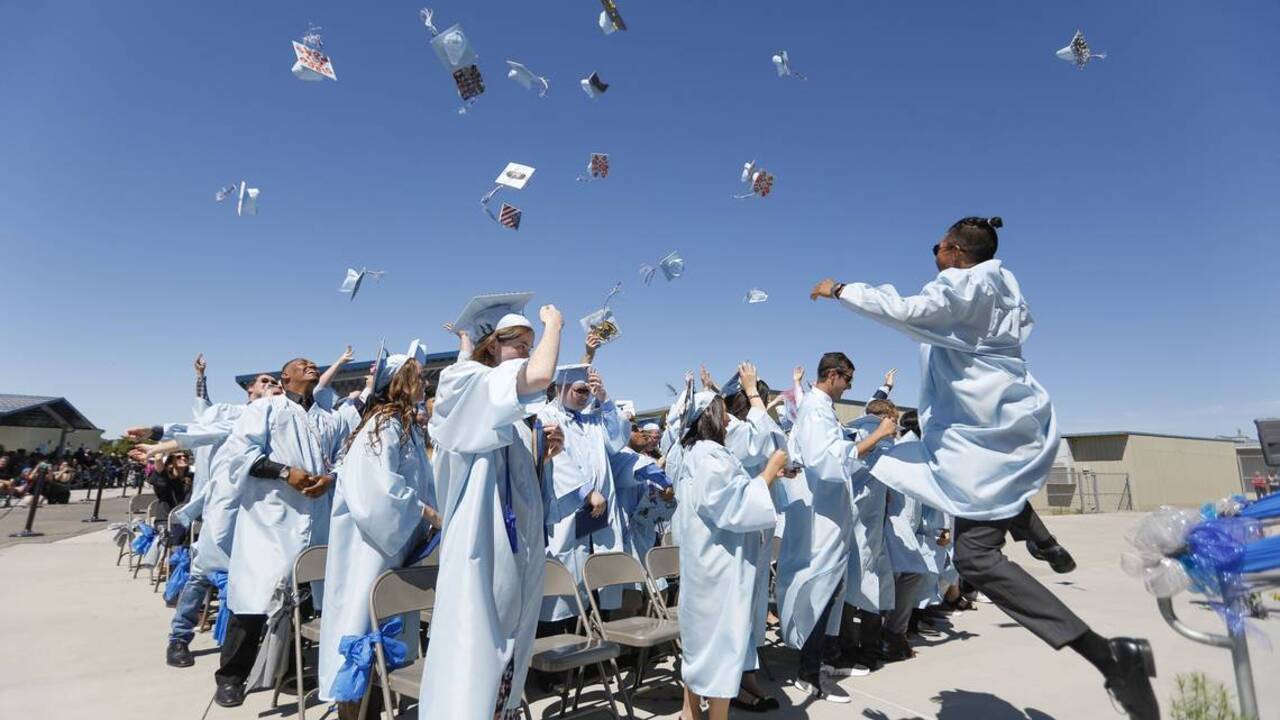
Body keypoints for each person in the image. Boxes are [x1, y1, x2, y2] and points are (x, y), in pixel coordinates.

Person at [810, 215, 1159, 719]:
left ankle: (1109, 655)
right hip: (995, 425)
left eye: (937, 247)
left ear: (954, 251)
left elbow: (907, 311)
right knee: (950, 485)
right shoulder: (1001, 286)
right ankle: (1037, 535)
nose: (934, 255)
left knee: (974, 556)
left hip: (973, 437)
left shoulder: (963, 285)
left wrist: (841, 289)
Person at [419, 294, 564, 720]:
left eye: (531, 339)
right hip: (482, 550)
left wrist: (542, 455)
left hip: (512, 553)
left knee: (503, 659)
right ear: (489, 345)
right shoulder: (462, 382)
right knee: (472, 663)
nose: (525, 347)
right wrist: (554, 324)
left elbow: (516, 486)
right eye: (514, 340)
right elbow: (538, 376)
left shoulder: (506, 407)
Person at [213, 357, 356, 708]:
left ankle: (288, 669)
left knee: (304, 597)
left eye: (312, 364)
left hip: (316, 513)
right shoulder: (266, 409)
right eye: (301, 364)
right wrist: (284, 472)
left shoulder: (327, 417)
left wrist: (330, 477)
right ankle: (231, 677)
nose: (310, 366)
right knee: (254, 598)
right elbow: (240, 455)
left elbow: (342, 455)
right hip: (270, 520)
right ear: (285, 377)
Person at [318, 342, 443, 719]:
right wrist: (426, 512)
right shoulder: (382, 425)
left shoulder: (407, 428)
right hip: (370, 549)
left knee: (389, 636)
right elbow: (378, 491)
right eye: (417, 378)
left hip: (397, 545)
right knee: (363, 629)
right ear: (398, 382)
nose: (423, 385)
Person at [775, 352, 897, 703]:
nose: (849, 387)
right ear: (833, 374)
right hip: (820, 518)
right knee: (821, 589)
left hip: (830, 515)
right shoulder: (815, 409)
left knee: (831, 589)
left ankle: (822, 662)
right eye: (848, 380)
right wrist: (875, 438)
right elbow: (826, 462)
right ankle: (808, 673)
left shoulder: (820, 409)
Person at [675, 390, 786, 720]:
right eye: (723, 413)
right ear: (708, 416)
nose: (728, 420)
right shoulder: (710, 456)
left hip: (709, 564)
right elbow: (732, 507)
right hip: (720, 570)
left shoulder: (697, 453)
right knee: (721, 646)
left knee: (701, 647)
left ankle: (689, 713)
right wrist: (769, 472)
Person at [720, 362, 787, 710]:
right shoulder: (729, 429)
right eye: (753, 398)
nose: (758, 401)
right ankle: (733, 685)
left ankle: (747, 676)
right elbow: (757, 444)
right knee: (739, 609)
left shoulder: (750, 426)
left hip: (758, 531)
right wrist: (750, 391)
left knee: (754, 608)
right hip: (738, 533)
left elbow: (773, 445)